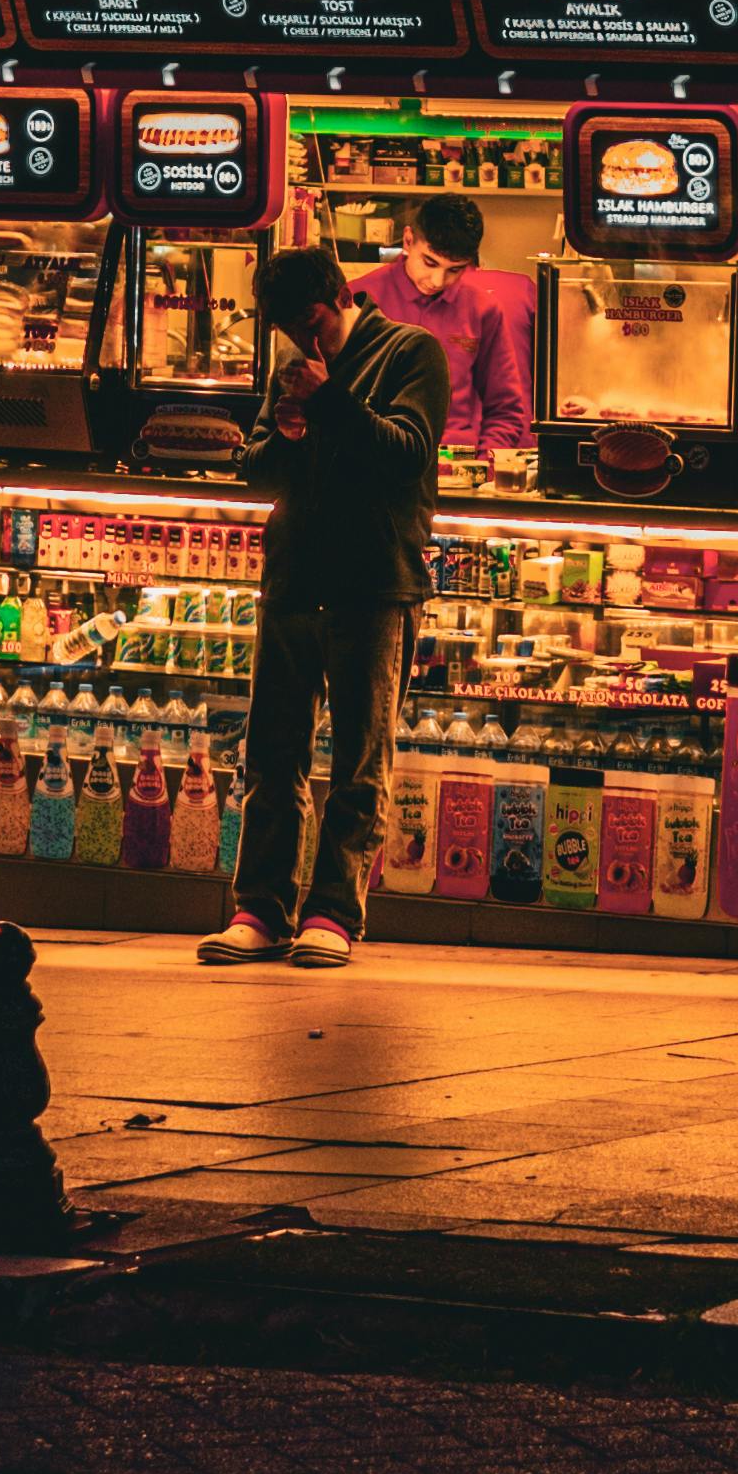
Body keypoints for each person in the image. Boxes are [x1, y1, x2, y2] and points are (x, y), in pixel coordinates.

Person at [201, 238, 447, 968]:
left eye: (306, 320)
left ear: (337, 297)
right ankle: (261, 909)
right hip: (293, 579)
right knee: (273, 754)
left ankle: (335, 913)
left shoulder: (411, 352)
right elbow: (254, 474)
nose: (299, 339)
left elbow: (408, 452)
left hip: (374, 581)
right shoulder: (288, 371)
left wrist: (329, 399)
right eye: (284, 328)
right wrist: (282, 427)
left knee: (359, 759)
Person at [369, 191, 534, 471]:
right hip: (375, 466)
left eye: (454, 270)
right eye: (429, 262)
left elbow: (505, 408)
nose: (437, 280)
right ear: (408, 240)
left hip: (457, 468)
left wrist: (483, 467)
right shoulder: (362, 297)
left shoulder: (483, 309)